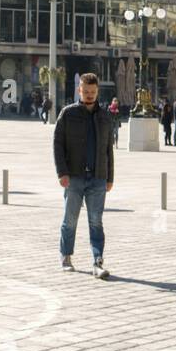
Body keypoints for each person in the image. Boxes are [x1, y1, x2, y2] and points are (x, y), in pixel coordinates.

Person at [53, 72, 114, 278]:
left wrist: (110, 177)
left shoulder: (105, 115)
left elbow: (108, 149)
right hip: (74, 177)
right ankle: (66, 256)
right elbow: (57, 144)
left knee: (96, 221)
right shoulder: (68, 114)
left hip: (98, 177)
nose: (89, 95)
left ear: (97, 91)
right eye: (85, 91)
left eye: (93, 92)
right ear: (79, 90)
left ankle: (98, 261)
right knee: (70, 219)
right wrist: (62, 172)